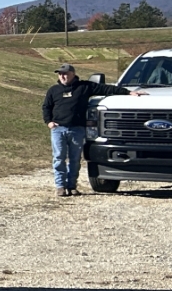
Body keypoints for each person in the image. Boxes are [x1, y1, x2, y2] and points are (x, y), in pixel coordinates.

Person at [41, 63, 133, 196]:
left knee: (75, 159)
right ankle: (60, 186)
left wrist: (128, 92)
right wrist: (49, 122)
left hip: (77, 130)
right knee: (59, 158)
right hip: (58, 129)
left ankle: (72, 186)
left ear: (73, 74)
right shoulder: (53, 90)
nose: (62, 76)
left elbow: (105, 89)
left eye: (65, 73)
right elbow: (46, 107)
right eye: (60, 74)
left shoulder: (84, 87)